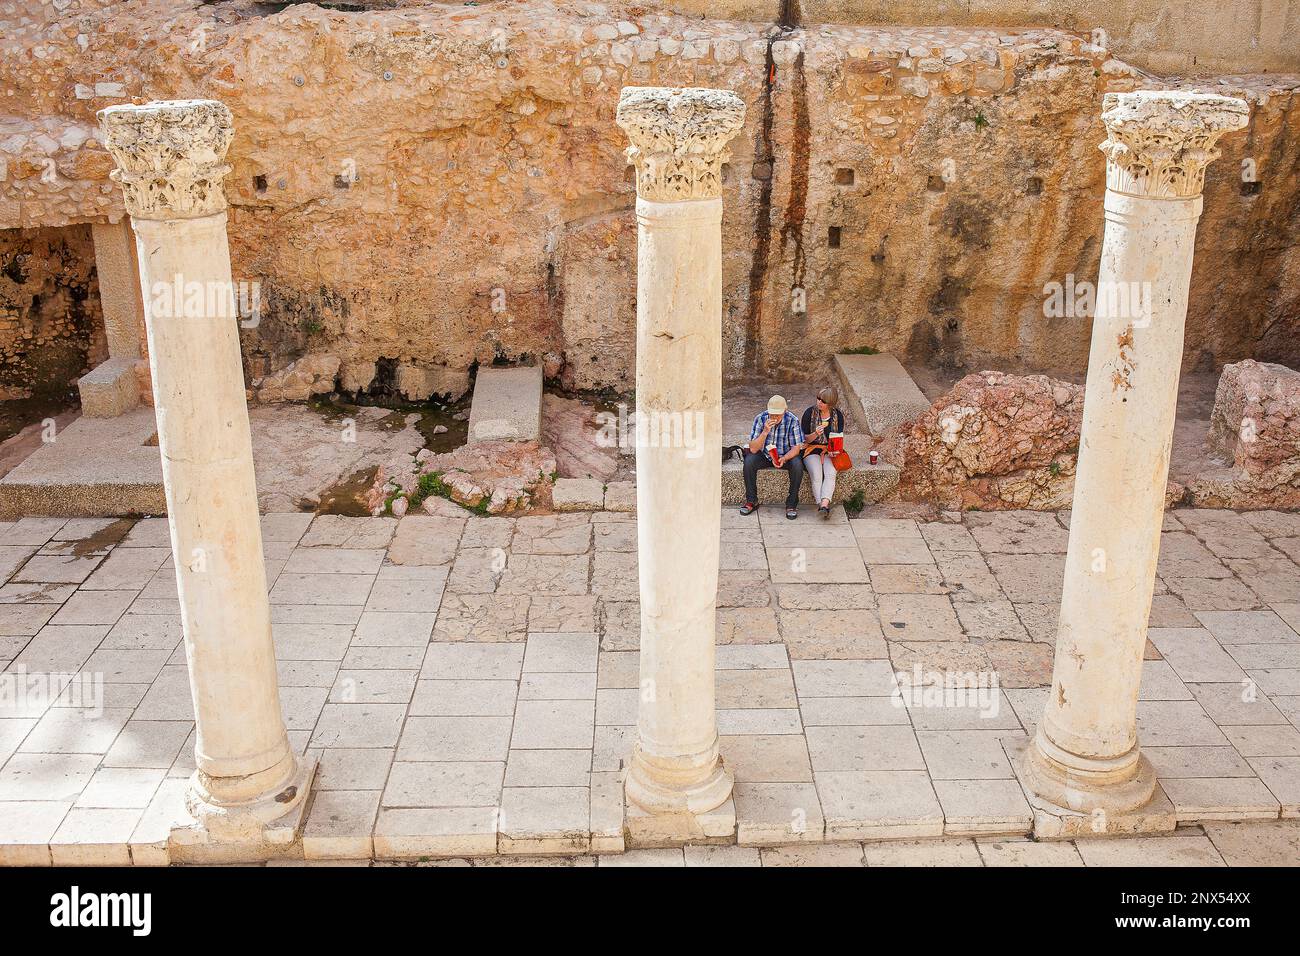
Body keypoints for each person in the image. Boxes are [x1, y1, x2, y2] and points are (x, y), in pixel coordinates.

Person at [740, 394, 805, 519]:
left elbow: (796, 448)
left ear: (785, 411)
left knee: (797, 465)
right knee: (749, 462)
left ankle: (791, 504)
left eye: (778, 414)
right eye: (772, 414)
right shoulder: (760, 418)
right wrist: (765, 432)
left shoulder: (793, 420)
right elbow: (753, 448)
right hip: (765, 455)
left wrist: (784, 458)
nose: (774, 417)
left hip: (785, 455)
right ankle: (752, 500)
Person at [800, 386, 847, 519]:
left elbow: (838, 438)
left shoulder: (837, 415)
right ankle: (821, 505)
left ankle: (825, 505)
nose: (819, 402)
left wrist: (833, 451)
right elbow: (804, 439)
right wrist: (816, 433)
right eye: (818, 398)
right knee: (816, 473)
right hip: (811, 449)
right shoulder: (809, 413)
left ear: (830, 403)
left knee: (831, 473)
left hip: (830, 450)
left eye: (823, 401)